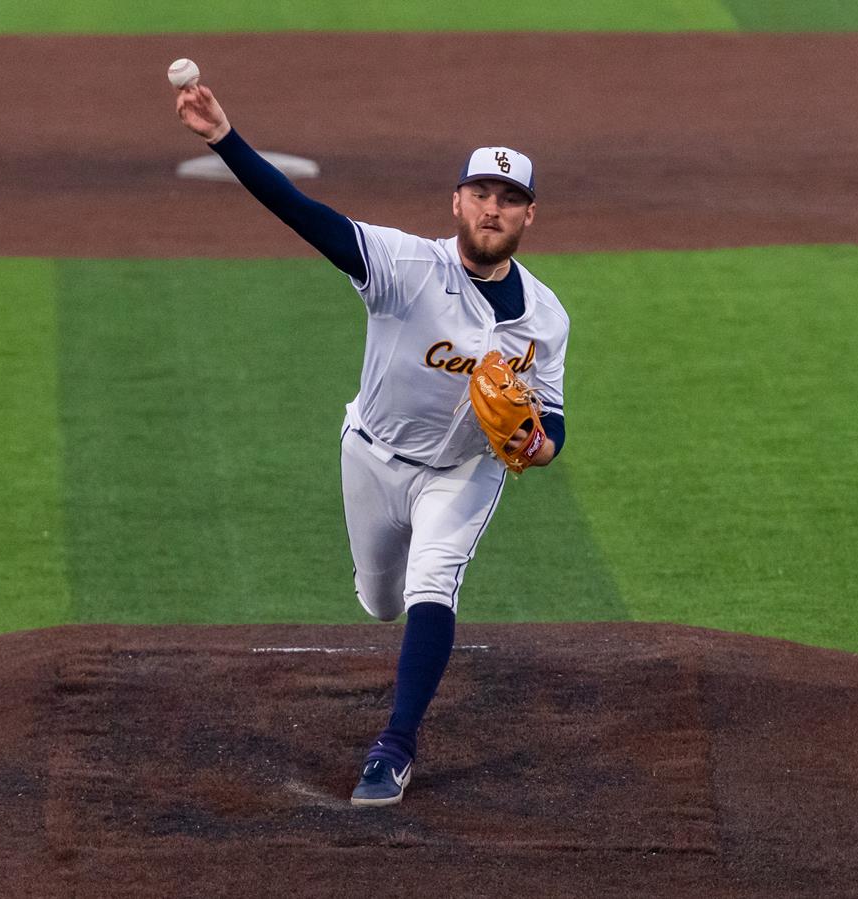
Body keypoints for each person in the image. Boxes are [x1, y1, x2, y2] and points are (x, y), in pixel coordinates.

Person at [174, 81, 568, 807]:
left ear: (529, 213)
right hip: (373, 456)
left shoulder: (547, 317)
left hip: (465, 475)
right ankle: (383, 601)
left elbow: (553, 424)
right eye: (480, 191)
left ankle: (395, 747)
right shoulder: (402, 266)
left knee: (434, 581)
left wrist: (536, 448)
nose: (492, 207)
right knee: (382, 601)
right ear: (457, 202)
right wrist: (225, 136)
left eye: (508, 197)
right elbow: (304, 214)